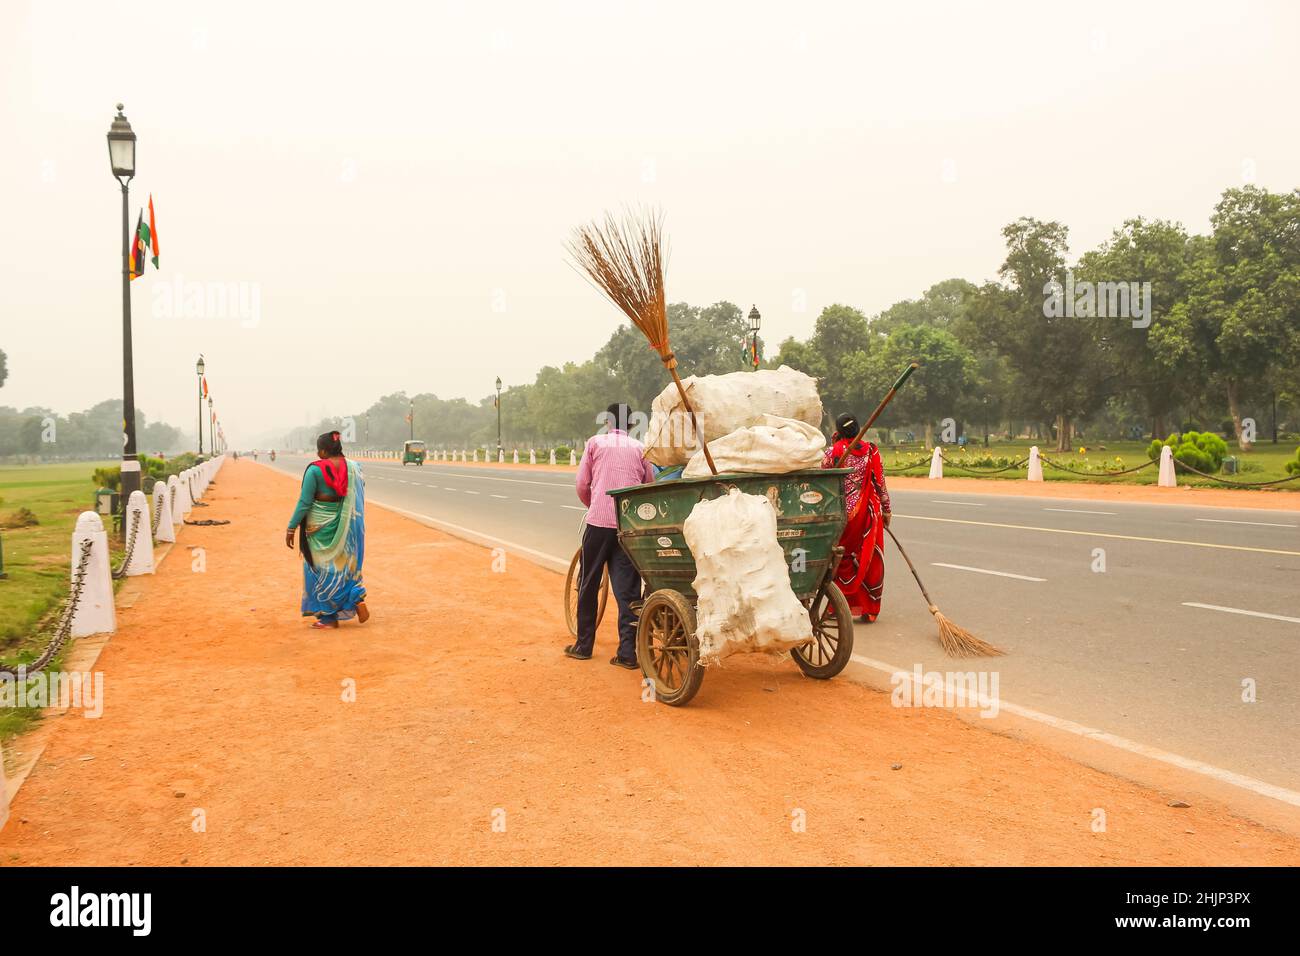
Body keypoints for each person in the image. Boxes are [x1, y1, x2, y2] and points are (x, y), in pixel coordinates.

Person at [567, 403, 653, 668]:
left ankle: (583, 646)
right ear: (631, 425)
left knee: (588, 582)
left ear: (608, 422)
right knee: (628, 590)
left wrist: (593, 504)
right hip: (627, 527)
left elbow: (582, 483)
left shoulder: (595, 443)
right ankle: (628, 653)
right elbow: (648, 486)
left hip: (598, 523)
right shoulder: (641, 449)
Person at [285, 430, 369, 629]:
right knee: (341, 565)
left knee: (319, 569)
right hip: (346, 524)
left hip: (318, 528)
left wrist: (291, 527)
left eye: (318, 450)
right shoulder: (354, 468)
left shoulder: (315, 470)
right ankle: (355, 597)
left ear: (323, 451)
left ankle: (329, 617)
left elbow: (305, 502)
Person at [822, 413, 891, 623]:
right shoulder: (871, 450)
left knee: (842, 559)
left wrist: (836, 444)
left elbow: (824, 475)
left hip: (844, 515)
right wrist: (886, 510)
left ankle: (837, 607)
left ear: (839, 431)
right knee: (869, 559)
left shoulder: (833, 452)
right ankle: (870, 609)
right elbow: (880, 482)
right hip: (869, 515)